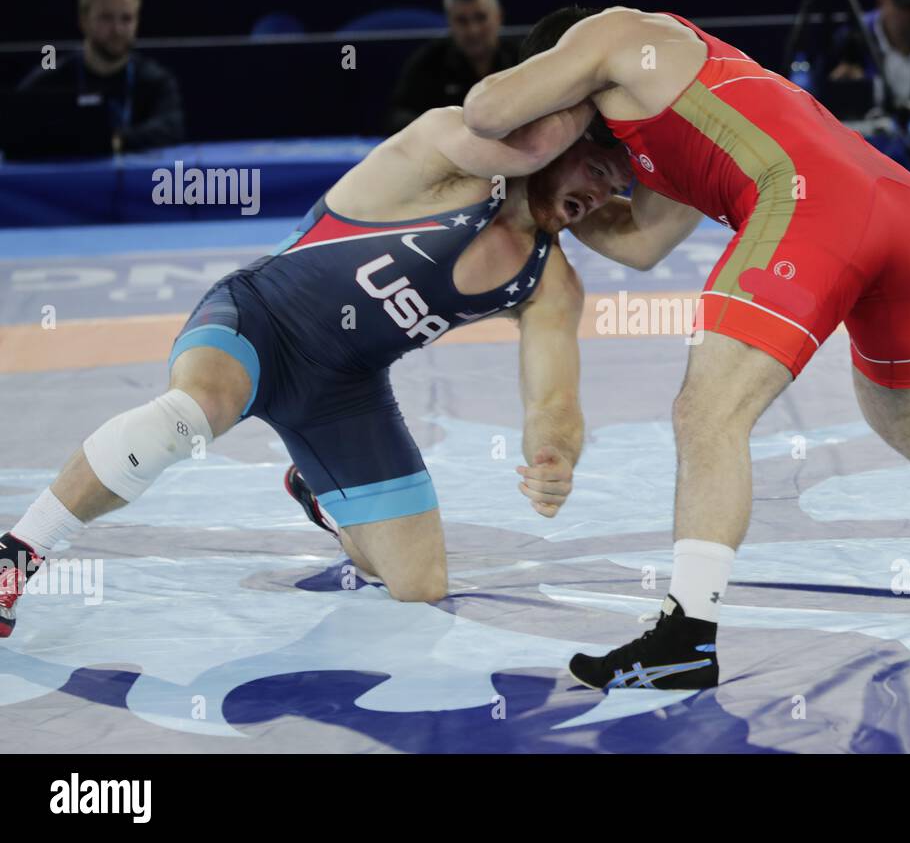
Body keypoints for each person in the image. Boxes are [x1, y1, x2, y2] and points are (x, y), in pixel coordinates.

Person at [463, 6, 910, 691]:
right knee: (909, 418)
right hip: (901, 209)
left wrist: (529, 171)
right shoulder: (669, 102)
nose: (610, 182)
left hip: (812, 204)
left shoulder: (615, 32)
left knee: (708, 415)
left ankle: (686, 636)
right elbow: (640, 244)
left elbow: (488, 109)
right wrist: (556, 207)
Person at [0, 101, 634, 638]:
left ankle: (319, 494)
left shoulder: (548, 282)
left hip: (344, 394)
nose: (601, 198)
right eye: (597, 170)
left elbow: (554, 398)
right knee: (190, 415)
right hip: (259, 319)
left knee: (419, 584)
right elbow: (504, 107)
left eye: (615, 188)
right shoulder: (444, 163)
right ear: (556, 140)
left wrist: (554, 456)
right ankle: (20, 549)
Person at [18, 0, 184, 154]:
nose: (118, 30)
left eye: (127, 19)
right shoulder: (50, 81)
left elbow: (172, 128)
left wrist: (116, 142)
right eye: (106, 18)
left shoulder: (156, 80)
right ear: (83, 21)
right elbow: (19, 128)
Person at [388, 0, 518, 133]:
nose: (473, 30)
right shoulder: (429, 62)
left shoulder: (521, 57)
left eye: (481, 18)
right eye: (462, 21)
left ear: (499, 17)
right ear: (450, 22)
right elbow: (398, 117)